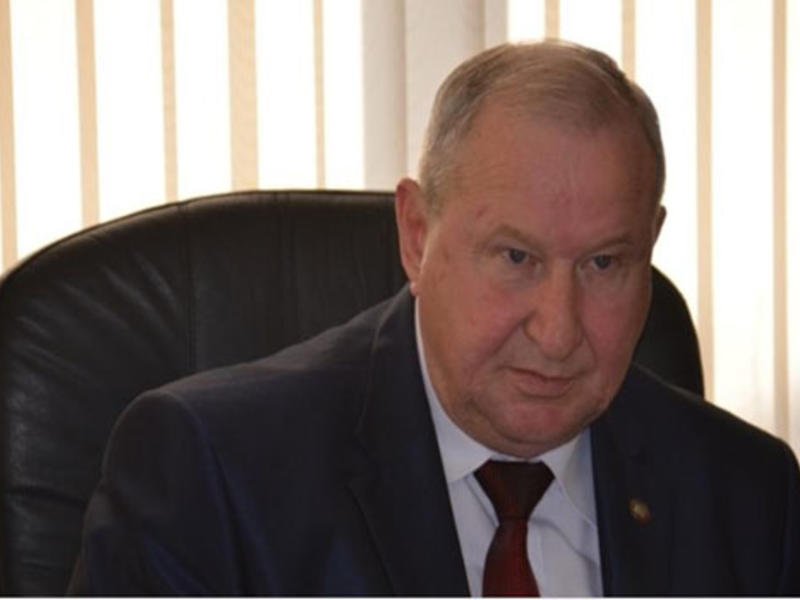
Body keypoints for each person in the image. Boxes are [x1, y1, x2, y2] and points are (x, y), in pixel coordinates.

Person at [68, 40, 800, 595]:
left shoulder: (749, 496)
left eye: (604, 263)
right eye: (516, 257)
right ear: (417, 236)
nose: (558, 331)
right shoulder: (215, 476)